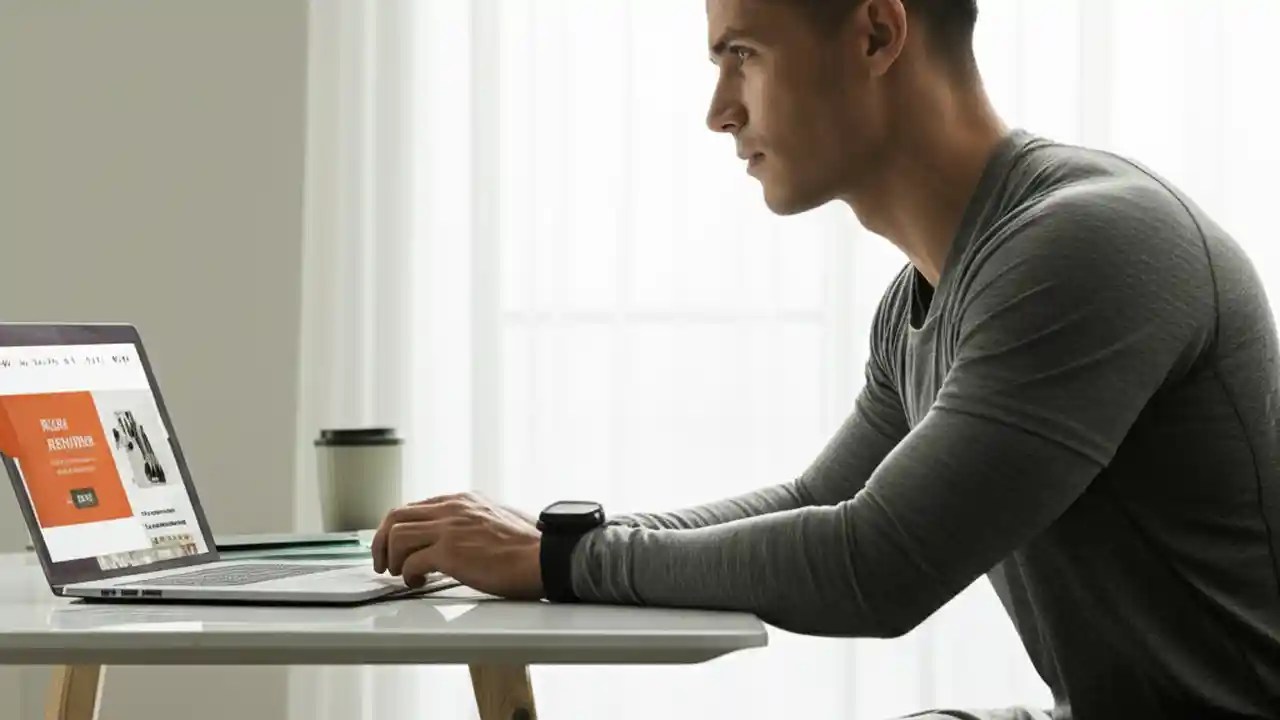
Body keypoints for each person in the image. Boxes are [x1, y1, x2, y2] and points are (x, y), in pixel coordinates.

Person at [371, 0, 1280, 717]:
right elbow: (818, 502)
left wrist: (561, 558)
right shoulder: (926, 297)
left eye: (744, 54)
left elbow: (873, 565)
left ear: (879, 32)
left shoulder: (1092, 245)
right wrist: (544, 539)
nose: (720, 111)